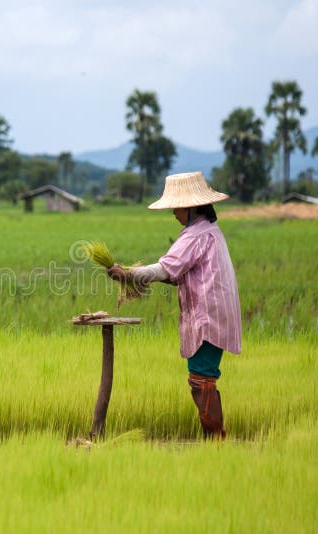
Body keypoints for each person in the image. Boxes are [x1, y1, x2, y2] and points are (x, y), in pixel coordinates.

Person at [107, 171, 241, 439]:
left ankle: (216, 440)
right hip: (215, 313)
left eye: (176, 207)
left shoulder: (195, 236)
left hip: (207, 317)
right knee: (204, 379)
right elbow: (180, 275)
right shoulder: (209, 231)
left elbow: (166, 269)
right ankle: (215, 441)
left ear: (191, 207)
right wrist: (139, 276)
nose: (173, 213)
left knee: (201, 380)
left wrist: (128, 274)